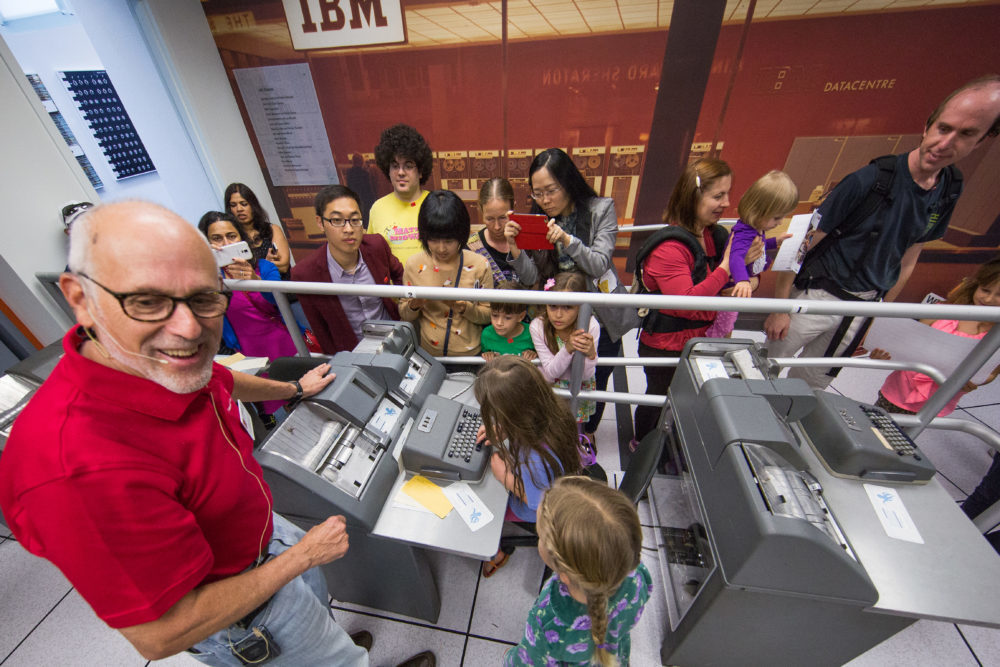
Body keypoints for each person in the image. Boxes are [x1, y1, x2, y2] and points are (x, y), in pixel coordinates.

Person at [0, 201, 434, 666]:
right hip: (242, 612)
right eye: (147, 301)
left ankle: (327, 644)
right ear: (80, 299)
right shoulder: (71, 470)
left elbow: (217, 376)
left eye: (205, 298)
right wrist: (302, 558)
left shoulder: (156, 363)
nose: (188, 330)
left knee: (322, 632)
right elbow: (161, 635)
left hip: (262, 536)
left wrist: (292, 387)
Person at [765, 75, 1000, 389]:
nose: (945, 144)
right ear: (928, 126)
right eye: (943, 128)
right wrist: (781, 308)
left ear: (982, 140)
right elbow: (801, 242)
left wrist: (876, 313)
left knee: (812, 382)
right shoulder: (869, 180)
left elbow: (909, 256)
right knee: (765, 367)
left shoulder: (949, 188)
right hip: (816, 294)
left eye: (966, 134)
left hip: (863, 305)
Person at [505, 148, 627, 444]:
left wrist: (567, 240)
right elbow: (532, 277)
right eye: (537, 194)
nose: (545, 200)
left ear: (569, 183)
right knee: (554, 373)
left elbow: (599, 263)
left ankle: (589, 431)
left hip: (598, 313)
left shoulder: (601, 209)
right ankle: (558, 430)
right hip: (558, 313)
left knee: (596, 373)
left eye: (550, 191)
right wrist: (515, 248)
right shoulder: (538, 218)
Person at [632, 159, 752, 443]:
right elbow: (686, 301)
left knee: (687, 398)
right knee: (659, 398)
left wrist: (746, 274)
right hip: (666, 345)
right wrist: (726, 268)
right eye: (718, 196)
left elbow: (741, 277)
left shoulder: (714, 235)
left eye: (727, 194)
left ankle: (672, 443)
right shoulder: (668, 249)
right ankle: (643, 445)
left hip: (702, 338)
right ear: (694, 196)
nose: (726, 203)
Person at [504, 476, 652, 667]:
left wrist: (509, 659)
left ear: (564, 575)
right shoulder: (637, 574)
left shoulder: (549, 617)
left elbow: (527, 662)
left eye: (540, 536)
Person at [474, 357, 582, 578]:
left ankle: (494, 554)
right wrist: (504, 431)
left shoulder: (536, 459)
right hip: (557, 482)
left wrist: (504, 476)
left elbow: (533, 499)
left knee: (484, 506)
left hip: (535, 508)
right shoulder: (552, 412)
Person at [874, 257, 1000, 417]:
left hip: (937, 401)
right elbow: (908, 342)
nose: (988, 299)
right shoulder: (943, 312)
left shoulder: (996, 338)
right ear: (976, 285)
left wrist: (975, 381)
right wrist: (884, 353)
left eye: (999, 295)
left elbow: (992, 373)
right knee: (874, 424)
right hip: (899, 388)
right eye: (985, 290)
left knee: (900, 438)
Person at [292, 184, 404, 354]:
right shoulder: (305, 273)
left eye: (354, 219)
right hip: (352, 352)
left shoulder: (376, 246)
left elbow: (400, 275)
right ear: (320, 223)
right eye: (337, 221)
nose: (349, 229)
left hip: (393, 342)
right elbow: (321, 330)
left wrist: (405, 309)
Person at [399, 190, 494, 358]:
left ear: (461, 235)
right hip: (429, 355)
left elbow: (488, 315)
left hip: (470, 356)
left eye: (449, 241)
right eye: (434, 240)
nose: (441, 249)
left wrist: (464, 307)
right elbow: (404, 314)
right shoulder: (414, 265)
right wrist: (416, 304)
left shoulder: (480, 264)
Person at [704, 170, 797, 338]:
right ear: (758, 212)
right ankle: (711, 341)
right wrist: (743, 281)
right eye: (776, 218)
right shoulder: (744, 233)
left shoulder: (755, 230)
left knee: (729, 321)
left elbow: (755, 247)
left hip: (737, 287)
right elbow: (736, 257)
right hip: (730, 288)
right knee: (725, 323)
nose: (780, 222)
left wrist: (774, 241)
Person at [529, 272, 599, 426]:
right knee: (549, 427)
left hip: (578, 389)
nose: (558, 315)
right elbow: (551, 373)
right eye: (552, 306)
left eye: (568, 307)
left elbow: (585, 376)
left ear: (580, 308)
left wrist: (591, 355)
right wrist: (568, 348)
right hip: (551, 389)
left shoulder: (591, 325)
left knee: (574, 428)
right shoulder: (538, 326)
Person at [369, 124, 433, 264]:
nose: (401, 172)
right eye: (395, 166)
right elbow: (373, 255)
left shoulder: (435, 204)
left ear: (421, 171)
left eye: (408, 166)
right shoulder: (378, 208)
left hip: (431, 284)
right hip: (392, 285)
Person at [224, 182, 291, 275]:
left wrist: (259, 267)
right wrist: (266, 263)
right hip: (252, 288)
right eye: (233, 205)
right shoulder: (231, 238)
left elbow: (283, 267)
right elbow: (237, 272)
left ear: (253, 205)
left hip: (283, 285)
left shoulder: (272, 229)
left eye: (244, 204)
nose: (239, 209)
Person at [468, 177, 524, 285]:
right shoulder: (471, 248)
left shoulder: (528, 241)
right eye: (490, 219)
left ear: (513, 208)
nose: (497, 227)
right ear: (480, 210)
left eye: (503, 218)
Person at [481, 281, 537, 361]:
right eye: (495, 315)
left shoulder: (532, 333)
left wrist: (534, 355)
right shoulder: (487, 335)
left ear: (521, 316)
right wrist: (487, 355)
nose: (499, 323)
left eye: (507, 318)